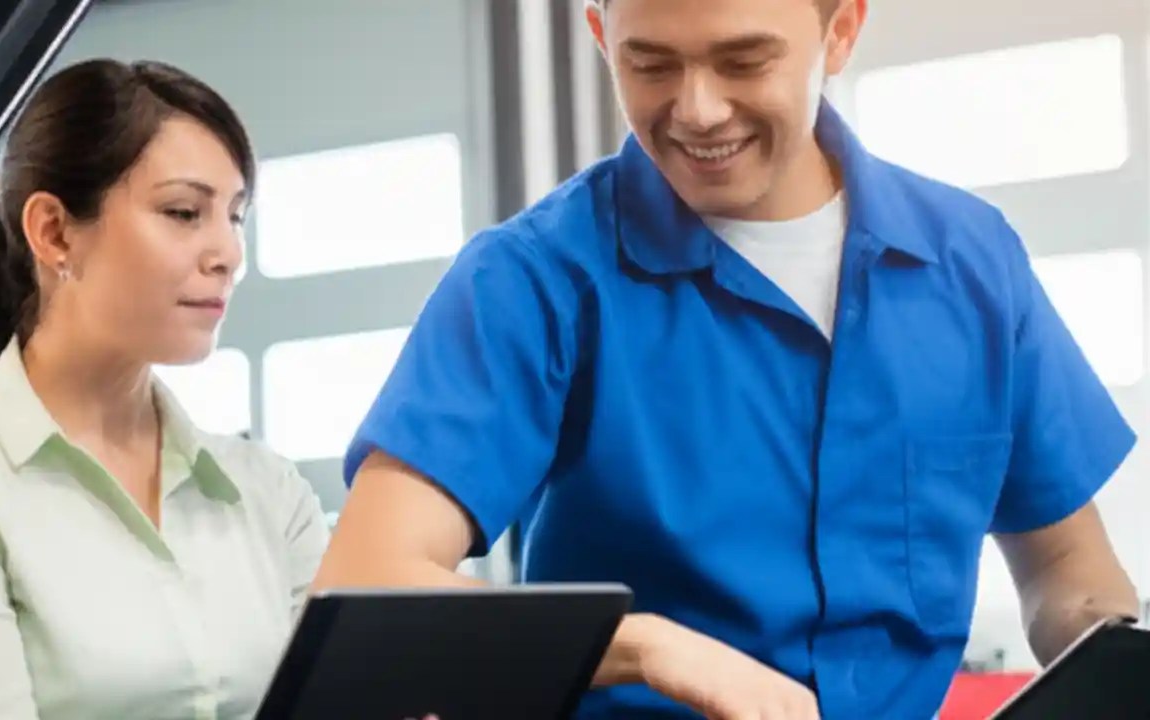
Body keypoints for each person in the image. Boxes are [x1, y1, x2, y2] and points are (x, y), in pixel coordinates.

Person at [312, 0, 1142, 718]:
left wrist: (1118, 667)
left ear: (842, 29)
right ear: (602, 38)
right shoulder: (532, 280)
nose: (698, 110)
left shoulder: (973, 263)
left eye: (744, 60)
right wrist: (652, 649)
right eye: (650, 64)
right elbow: (367, 585)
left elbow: (1067, 568)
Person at [0, 59, 331, 719]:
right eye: (183, 212)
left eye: (234, 216)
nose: (227, 252)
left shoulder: (270, 494)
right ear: (54, 232)